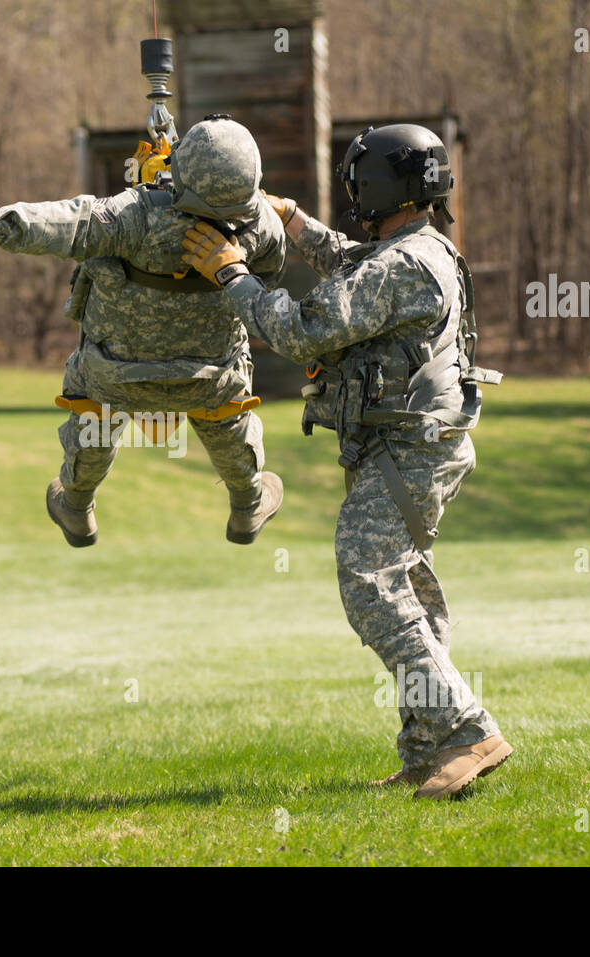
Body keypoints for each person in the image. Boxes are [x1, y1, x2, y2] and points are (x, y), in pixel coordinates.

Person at [180, 123, 511, 800]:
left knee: (368, 581)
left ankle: (468, 728)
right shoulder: (422, 250)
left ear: (382, 187)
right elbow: (351, 263)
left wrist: (229, 273)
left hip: (407, 450)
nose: (354, 192)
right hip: (424, 445)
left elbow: (297, 327)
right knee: (409, 589)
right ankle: (427, 748)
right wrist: (291, 219)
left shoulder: (399, 265)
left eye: (360, 182)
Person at [0, 116, 285, 547]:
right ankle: (247, 502)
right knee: (228, 412)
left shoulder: (129, 217)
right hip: (211, 381)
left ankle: (78, 505)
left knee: (97, 410)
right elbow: (267, 276)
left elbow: (52, 223)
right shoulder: (264, 226)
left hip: (115, 377)